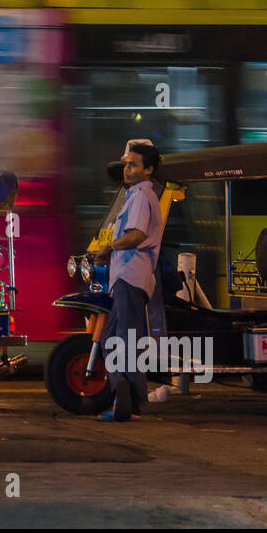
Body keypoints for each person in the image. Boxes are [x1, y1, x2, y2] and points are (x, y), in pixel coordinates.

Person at [93, 140, 165, 421]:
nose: (127, 168)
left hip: (131, 278)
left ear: (148, 170)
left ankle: (130, 405)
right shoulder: (135, 195)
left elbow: (136, 235)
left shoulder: (141, 196)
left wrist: (110, 248)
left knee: (125, 340)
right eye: (126, 163)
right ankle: (122, 401)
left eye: (133, 164)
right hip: (124, 278)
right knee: (113, 338)